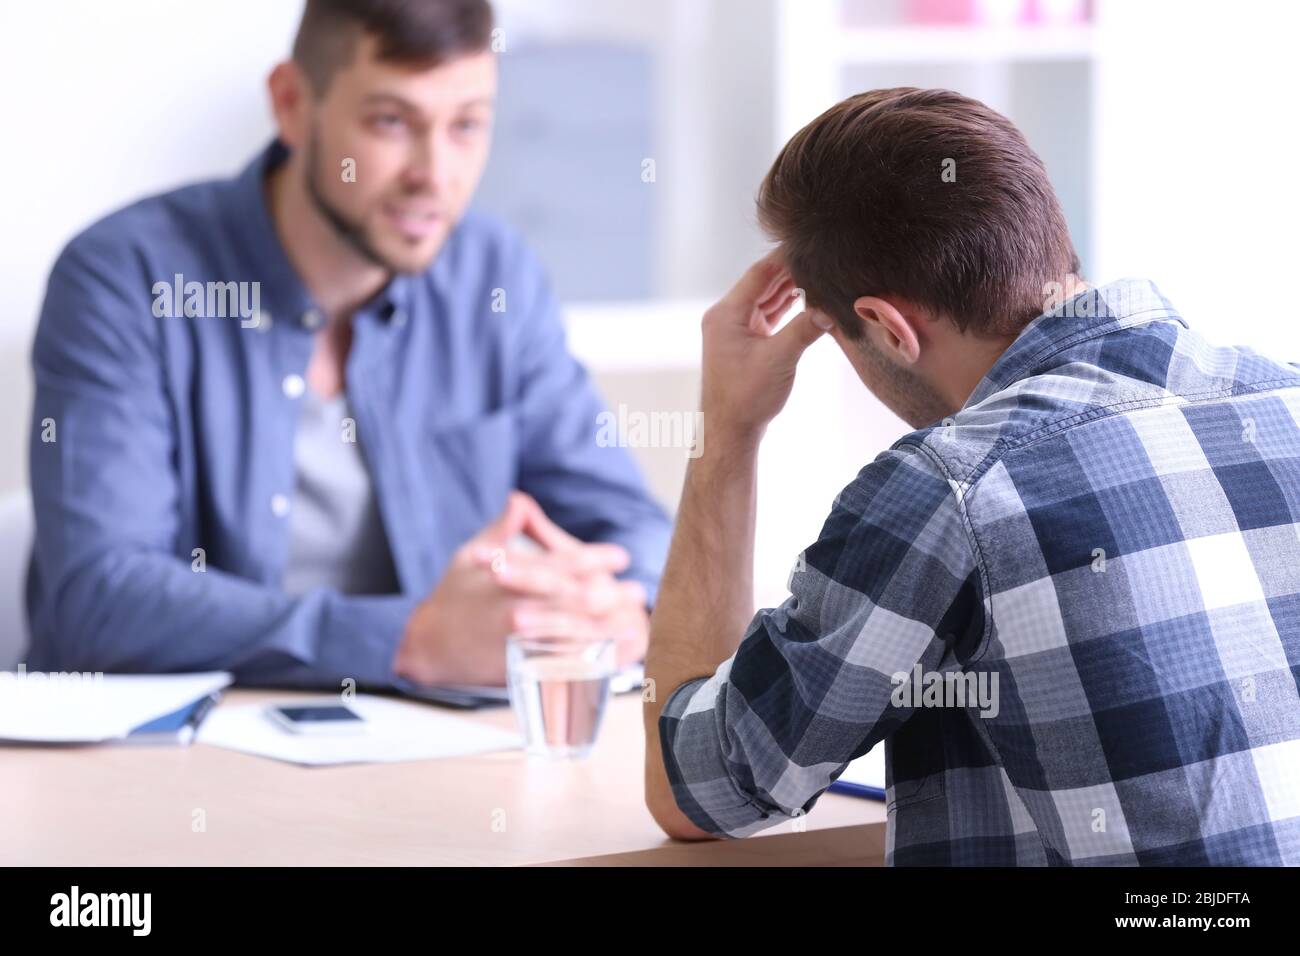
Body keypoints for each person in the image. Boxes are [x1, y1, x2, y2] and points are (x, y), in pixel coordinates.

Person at [644, 87, 1300, 865]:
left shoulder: (947, 490)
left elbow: (702, 790)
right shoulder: (1284, 396)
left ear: (887, 327)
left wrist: (725, 431)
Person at [26, 0, 670, 689]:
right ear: (292, 104)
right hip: (167, 767)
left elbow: (631, 527)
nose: (435, 173)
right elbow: (100, 600)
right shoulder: (126, 278)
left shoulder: (495, 278)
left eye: (467, 125)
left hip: (427, 754)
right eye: (392, 121)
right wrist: (408, 642)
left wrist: (623, 607)